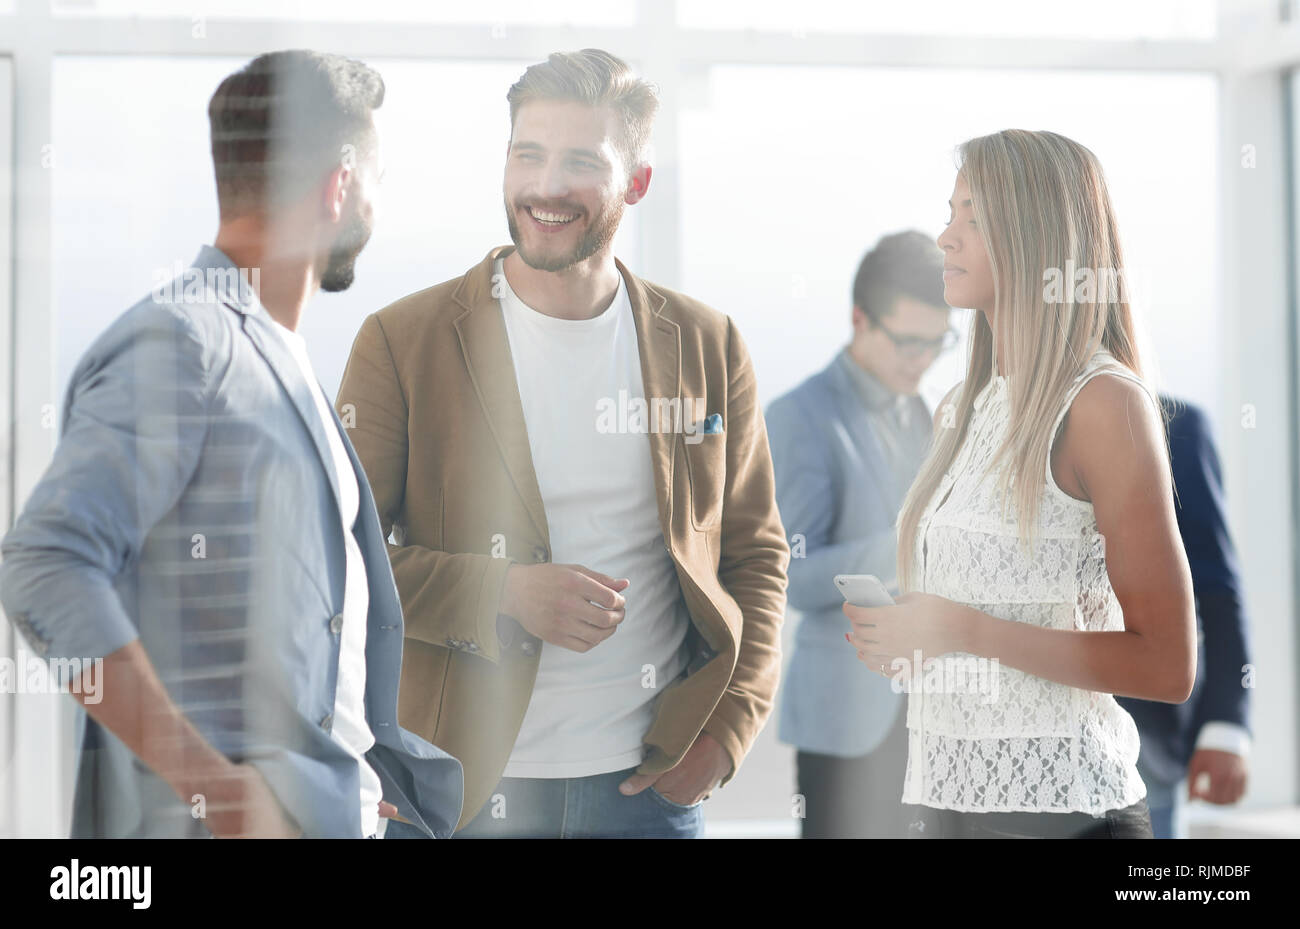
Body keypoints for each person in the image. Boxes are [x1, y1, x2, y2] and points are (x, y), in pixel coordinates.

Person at [0, 50, 463, 839]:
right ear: (339, 185)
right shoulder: (186, 341)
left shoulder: (280, 356)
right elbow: (44, 565)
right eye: (377, 179)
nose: (377, 204)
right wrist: (213, 787)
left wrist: (346, 785)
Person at [336, 48, 789, 839]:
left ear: (636, 183)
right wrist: (505, 592)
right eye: (528, 155)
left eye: (580, 161)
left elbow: (755, 556)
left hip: (646, 795)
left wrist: (726, 736)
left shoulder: (708, 344)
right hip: (455, 792)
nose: (546, 186)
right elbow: (345, 563)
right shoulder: (402, 341)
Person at [845, 129, 1196, 839]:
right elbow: (978, 621)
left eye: (973, 217)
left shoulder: (1103, 405)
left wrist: (960, 629)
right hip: (947, 810)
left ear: (1036, 237)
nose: (945, 237)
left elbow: (1167, 664)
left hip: (1072, 817)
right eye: (950, 212)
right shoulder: (959, 409)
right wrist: (912, 634)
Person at [766, 231, 953, 838]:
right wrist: (913, 543)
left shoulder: (931, 412)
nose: (922, 360)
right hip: (847, 723)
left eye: (937, 342)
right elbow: (793, 575)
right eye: (908, 342)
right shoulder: (800, 416)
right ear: (859, 319)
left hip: (935, 720)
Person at [1116, 395, 1252, 838]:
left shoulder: (1176, 425)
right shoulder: (995, 418)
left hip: (1144, 743)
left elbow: (1215, 585)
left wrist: (1226, 722)